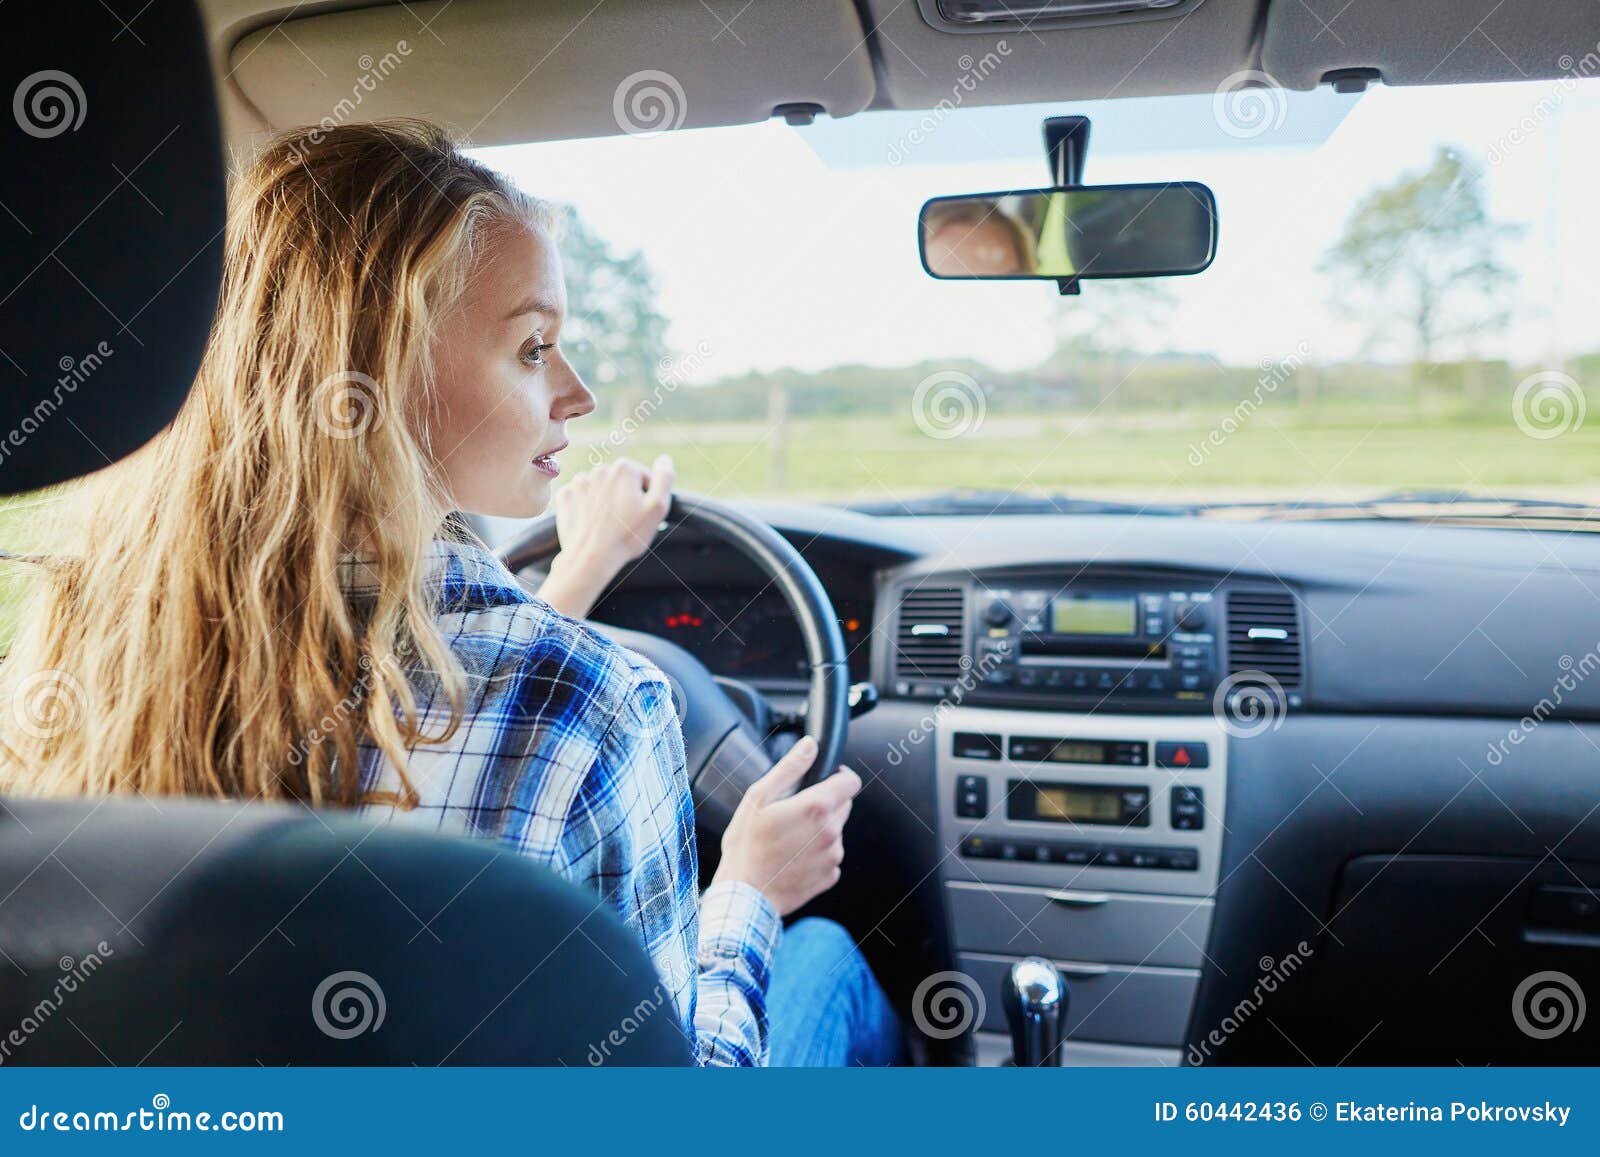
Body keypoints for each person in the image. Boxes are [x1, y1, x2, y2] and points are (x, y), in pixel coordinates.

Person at [0, 119, 900, 1068]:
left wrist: (576, 577)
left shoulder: (74, 657)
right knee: (828, 956)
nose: (579, 392)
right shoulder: (600, 706)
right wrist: (748, 894)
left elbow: (425, 680)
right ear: (381, 374)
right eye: (532, 347)